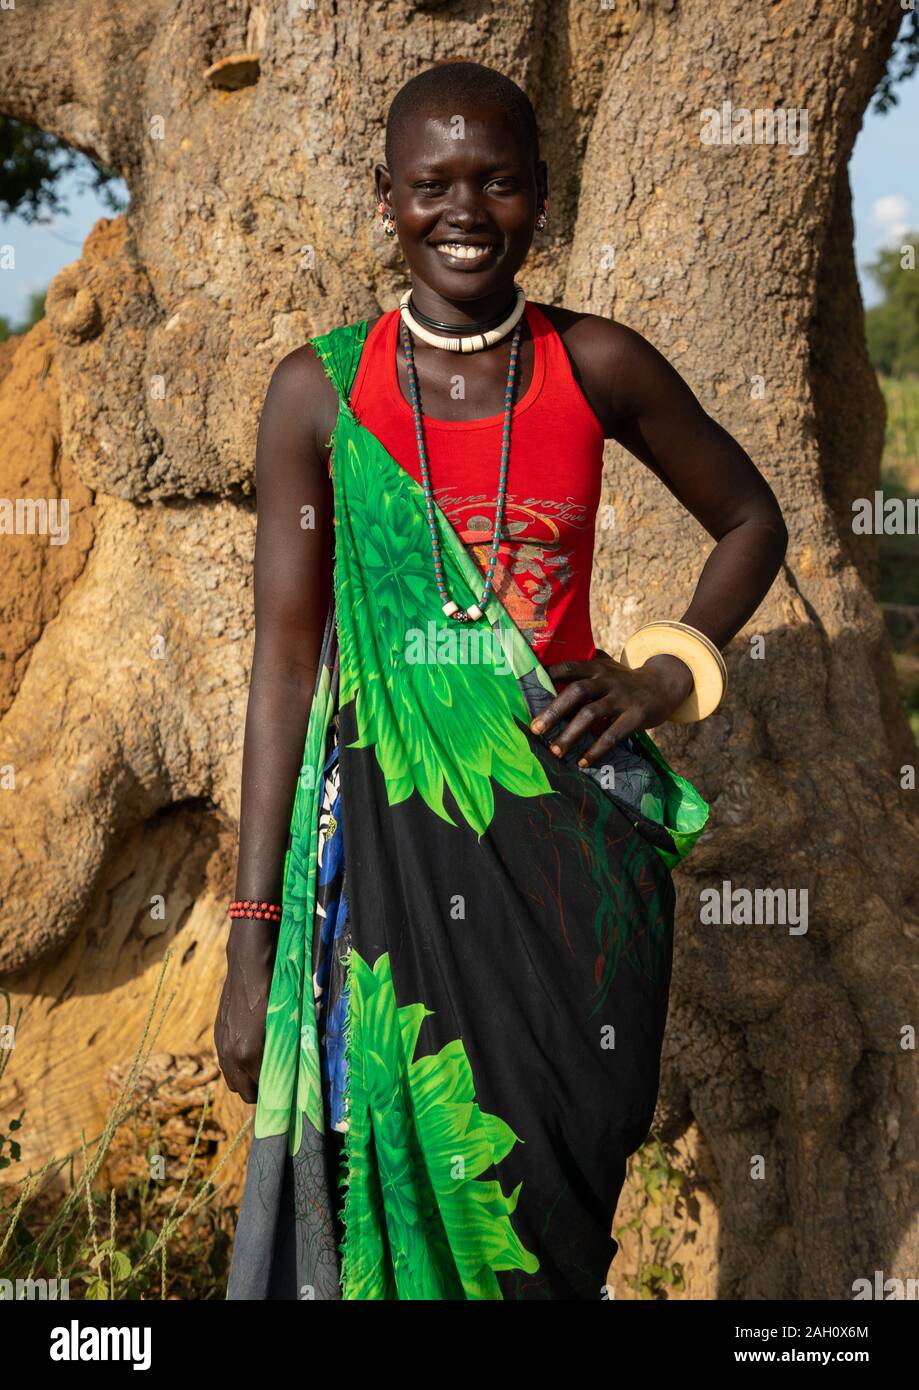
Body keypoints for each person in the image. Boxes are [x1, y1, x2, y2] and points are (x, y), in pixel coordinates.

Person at [217, 60, 787, 1301]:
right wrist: (251, 941)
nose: (463, 211)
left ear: (542, 194)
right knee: (390, 1191)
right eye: (431, 186)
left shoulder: (597, 363)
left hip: (568, 864)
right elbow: (284, 656)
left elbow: (750, 518)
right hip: (379, 879)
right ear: (385, 199)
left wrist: (661, 672)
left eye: (497, 182)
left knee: (547, 1218)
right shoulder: (320, 394)